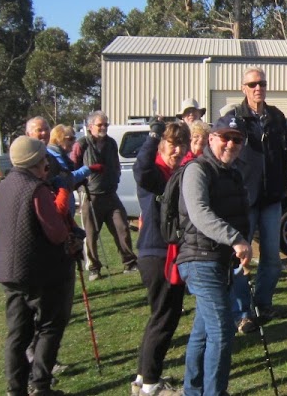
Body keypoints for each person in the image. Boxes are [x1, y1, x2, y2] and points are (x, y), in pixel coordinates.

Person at [0, 135, 83, 396]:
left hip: (8, 270)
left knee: (18, 334)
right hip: (41, 270)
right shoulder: (37, 189)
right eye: (44, 158)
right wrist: (72, 236)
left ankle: (15, 390)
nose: (47, 163)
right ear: (35, 161)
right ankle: (41, 385)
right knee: (50, 327)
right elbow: (55, 232)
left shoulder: (3, 186)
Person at [175, 117, 253, 396]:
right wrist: (237, 239)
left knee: (204, 331)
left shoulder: (232, 171)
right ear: (211, 139)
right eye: (225, 137)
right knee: (222, 331)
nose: (231, 144)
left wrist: (239, 244)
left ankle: (192, 390)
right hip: (200, 259)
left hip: (220, 261)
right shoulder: (198, 169)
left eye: (237, 139)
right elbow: (199, 213)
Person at [218, 68, 287, 331]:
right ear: (243, 88)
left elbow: (285, 155)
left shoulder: (277, 117)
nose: (257, 88)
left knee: (272, 258)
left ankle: (263, 303)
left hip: (271, 199)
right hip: (242, 200)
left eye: (261, 83)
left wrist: (284, 185)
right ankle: (243, 313)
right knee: (240, 258)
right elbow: (223, 157)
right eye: (252, 84)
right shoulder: (233, 119)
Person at [130, 121, 192, 396]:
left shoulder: (175, 174)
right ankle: (151, 383)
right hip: (156, 254)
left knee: (161, 317)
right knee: (164, 318)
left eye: (181, 145)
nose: (176, 150)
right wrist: (152, 135)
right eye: (171, 144)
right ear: (160, 145)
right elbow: (139, 169)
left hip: (168, 253)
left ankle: (143, 377)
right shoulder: (154, 173)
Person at [70, 110, 137, 280]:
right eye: (100, 124)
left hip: (110, 193)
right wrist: (80, 184)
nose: (103, 127)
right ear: (90, 126)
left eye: (105, 124)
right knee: (91, 233)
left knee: (121, 227)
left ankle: (129, 262)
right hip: (90, 195)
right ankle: (94, 267)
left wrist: (116, 177)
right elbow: (72, 167)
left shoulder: (111, 143)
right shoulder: (82, 144)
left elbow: (115, 164)